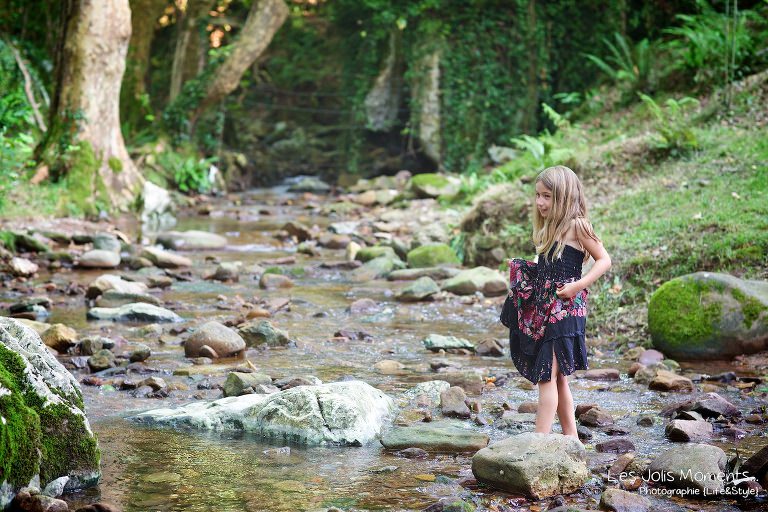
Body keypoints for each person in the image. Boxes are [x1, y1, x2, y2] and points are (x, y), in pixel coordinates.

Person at [502, 165, 611, 440]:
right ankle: (571, 437)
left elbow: (605, 260)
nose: (540, 202)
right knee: (559, 377)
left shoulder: (578, 226)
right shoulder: (550, 228)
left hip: (565, 312)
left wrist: (578, 285)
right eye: (538, 195)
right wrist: (520, 267)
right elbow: (547, 272)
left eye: (547, 196)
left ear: (564, 196)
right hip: (547, 312)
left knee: (545, 377)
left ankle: (540, 440)